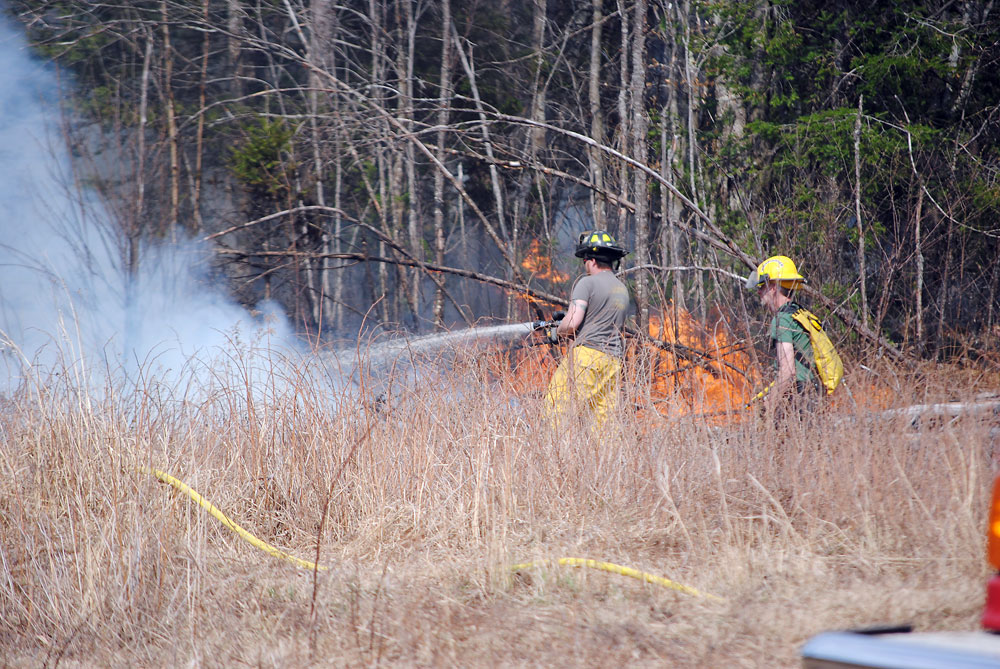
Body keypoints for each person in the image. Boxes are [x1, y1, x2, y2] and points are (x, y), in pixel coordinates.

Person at [543, 230, 631, 427]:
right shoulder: (621, 289)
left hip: (587, 358)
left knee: (557, 410)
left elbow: (573, 321)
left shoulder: (587, 283)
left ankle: (557, 455)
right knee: (602, 423)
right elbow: (599, 321)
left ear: (591, 260)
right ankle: (605, 458)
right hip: (613, 361)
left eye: (584, 260)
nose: (585, 265)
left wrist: (557, 332)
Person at [745, 255, 823, 419]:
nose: (758, 291)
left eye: (762, 286)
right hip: (814, 397)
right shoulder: (800, 313)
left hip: (798, 402)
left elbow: (788, 372)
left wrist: (768, 406)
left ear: (773, 287)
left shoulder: (782, 320)